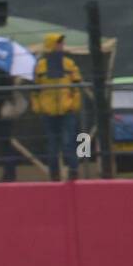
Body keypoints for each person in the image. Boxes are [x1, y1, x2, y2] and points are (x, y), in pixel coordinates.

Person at [31, 32, 83, 181]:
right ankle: (54, 175)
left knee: (68, 142)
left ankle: (73, 172)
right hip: (48, 111)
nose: (61, 45)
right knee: (53, 145)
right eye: (58, 43)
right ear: (51, 45)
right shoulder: (40, 66)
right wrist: (38, 107)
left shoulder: (69, 63)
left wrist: (74, 105)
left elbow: (76, 86)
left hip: (67, 110)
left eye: (61, 43)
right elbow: (35, 89)